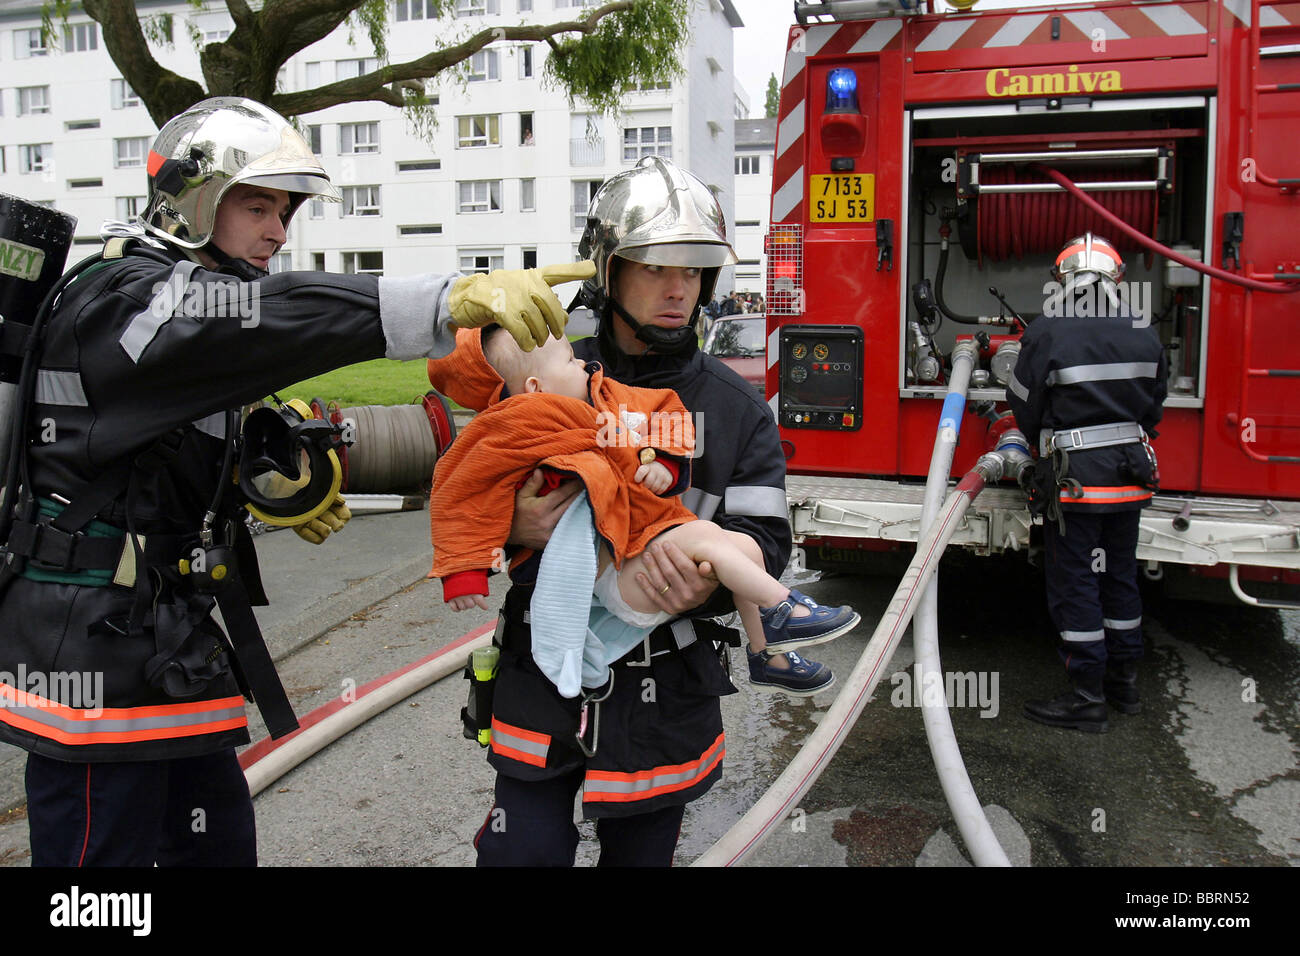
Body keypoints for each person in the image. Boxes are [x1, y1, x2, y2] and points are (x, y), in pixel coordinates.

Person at [0, 96, 584, 866]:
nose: (279, 229)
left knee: (217, 848)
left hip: (165, 647)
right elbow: (252, 317)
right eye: (258, 204)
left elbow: (165, 446)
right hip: (92, 666)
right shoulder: (126, 300)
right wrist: (441, 299)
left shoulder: (178, 309)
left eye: (287, 209)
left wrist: (274, 483)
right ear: (197, 199)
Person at [461, 156, 836, 867]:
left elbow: (766, 540)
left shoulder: (736, 408)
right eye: (657, 268)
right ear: (607, 273)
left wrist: (706, 579)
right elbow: (463, 486)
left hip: (667, 685)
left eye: (693, 272)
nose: (678, 290)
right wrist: (508, 523)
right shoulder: (542, 376)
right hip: (544, 669)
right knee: (520, 854)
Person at [427, 327, 857, 698]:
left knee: (743, 547)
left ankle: (769, 655)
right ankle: (781, 607)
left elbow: (660, 408)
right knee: (707, 536)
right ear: (536, 388)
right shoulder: (510, 424)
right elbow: (459, 491)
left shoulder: (600, 399)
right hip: (613, 571)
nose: (587, 366)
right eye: (572, 361)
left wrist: (664, 462)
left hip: (640, 552)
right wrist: (467, 567)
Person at [1007, 233, 1168, 733]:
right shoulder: (1145, 330)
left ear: (1063, 279)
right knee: (1120, 575)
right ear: (1117, 278)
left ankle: (1085, 697)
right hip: (1131, 476)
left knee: (1074, 581)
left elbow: (1023, 403)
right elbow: (1155, 405)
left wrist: (1037, 443)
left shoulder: (1048, 330)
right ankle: (1125, 683)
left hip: (1076, 479)